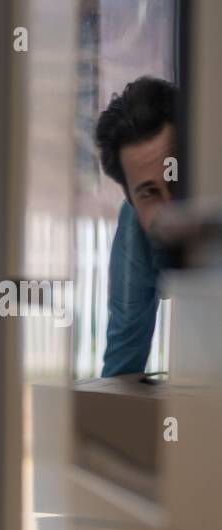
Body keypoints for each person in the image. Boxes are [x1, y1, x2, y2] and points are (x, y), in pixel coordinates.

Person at [93, 76, 177, 377]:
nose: (171, 210)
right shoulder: (136, 227)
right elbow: (121, 371)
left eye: (177, 179)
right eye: (150, 193)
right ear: (131, 200)